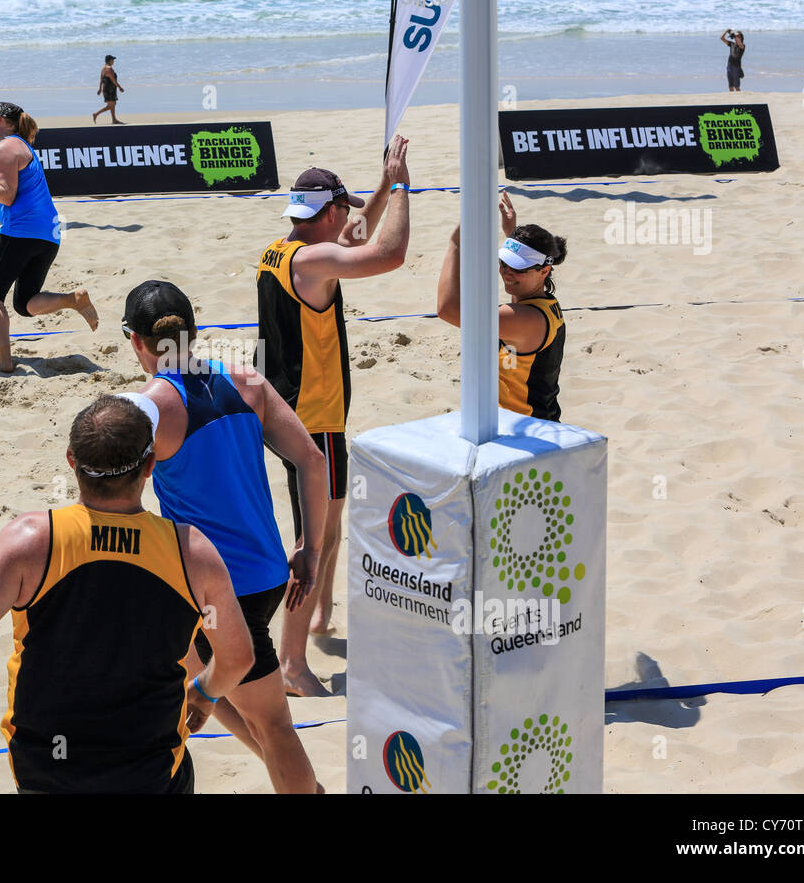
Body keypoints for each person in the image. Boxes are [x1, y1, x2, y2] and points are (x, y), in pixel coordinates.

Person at [0, 394, 254, 793]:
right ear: (150, 466)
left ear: (71, 461)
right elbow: (238, 657)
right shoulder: (192, 552)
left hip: (46, 764)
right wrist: (204, 694)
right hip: (148, 767)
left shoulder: (29, 541)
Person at [123, 280, 329, 793]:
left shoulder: (149, 407)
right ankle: (300, 781)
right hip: (267, 573)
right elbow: (313, 460)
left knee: (274, 725)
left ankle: (306, 787)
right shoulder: (245, 378)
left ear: (135, 341)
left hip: (216, 590)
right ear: (194, 330)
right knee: (205, 687)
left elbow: (118, 501)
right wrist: (311, 550)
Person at [255, 135, 413, 697]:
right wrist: (400, 188)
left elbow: (353, 232)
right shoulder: (317, 260)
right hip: (311, 421)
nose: (347, 219)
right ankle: (292, 662)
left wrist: (376, 188)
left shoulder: (282, 249)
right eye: (341, 211)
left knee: (329, 522)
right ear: (329, 212)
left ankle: (318, 617)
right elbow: (387, 253)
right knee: (311, 541)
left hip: (290, 408)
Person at [0, 101, 98, 375]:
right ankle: (72, 300)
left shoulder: (5, 148)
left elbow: (6, 195)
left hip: (21, 232)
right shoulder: (19, 147)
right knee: (25, 303)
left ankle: (5, 362)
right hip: (48, 234)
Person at [436, 192, 569, 421]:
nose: (506, 272)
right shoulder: (537, 299)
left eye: (517, 267)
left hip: (527, 432)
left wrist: (456, 243)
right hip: (533, 421)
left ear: (544, 271)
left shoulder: (524, 319)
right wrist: (512, 234)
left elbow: (447, 309)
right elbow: (522, 276)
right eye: (503, 263)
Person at [92, 55, 124, 124]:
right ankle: (96, 114)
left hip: (106, 88)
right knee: (111, 105)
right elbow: (113, 80)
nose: (113, 61)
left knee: (113, 103)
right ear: (109, 60)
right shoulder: (109, 69)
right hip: (110, 89)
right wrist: (120, 87)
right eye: (113, 60)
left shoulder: (103, 68)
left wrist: (100, 88)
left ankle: (114, 120)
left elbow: (101, 79)